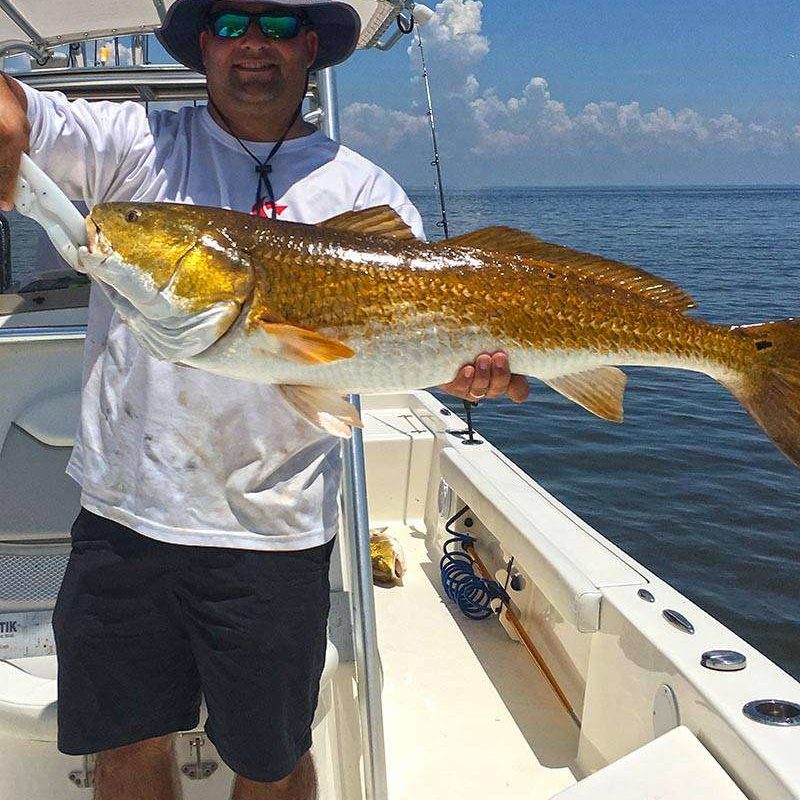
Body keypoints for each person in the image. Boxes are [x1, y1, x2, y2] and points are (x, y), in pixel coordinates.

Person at [0, 1, 529, 797]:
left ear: (310, 48)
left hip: (275, 536)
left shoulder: (366, 192)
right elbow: (20, 110)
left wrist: (468, 372)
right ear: (203, 44)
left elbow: (410, 344)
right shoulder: (134, 147)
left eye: (279, 27)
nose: (254, 43)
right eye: (233, 22)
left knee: (273, 764)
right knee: (124, 750)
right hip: (124, 520)